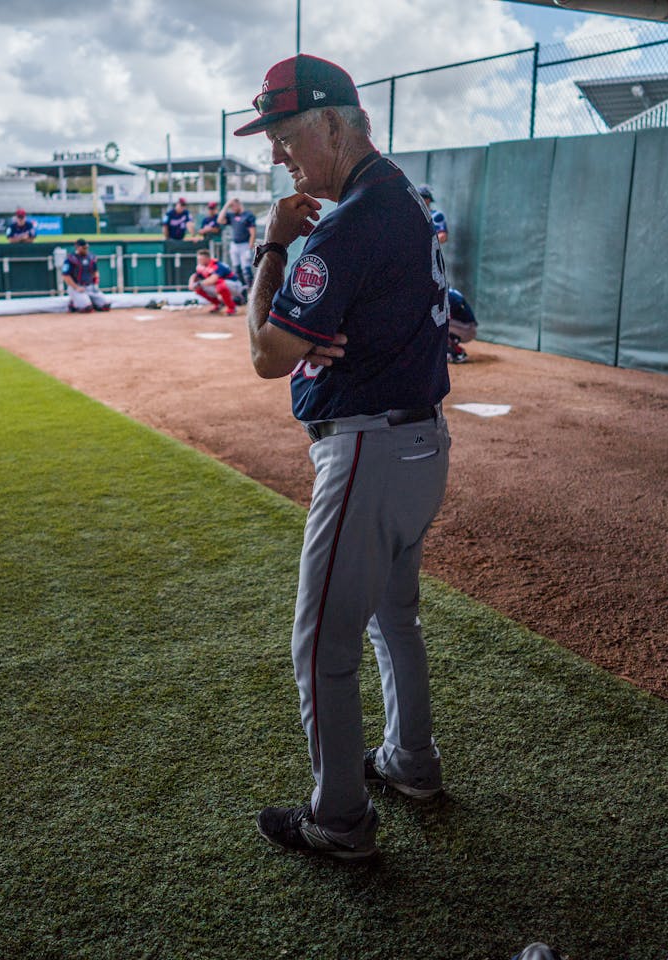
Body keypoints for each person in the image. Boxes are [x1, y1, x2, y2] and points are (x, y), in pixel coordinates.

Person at [236, 53, 451, 862]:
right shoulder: (405, 196)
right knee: (395, 620)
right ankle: (411, 762)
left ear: (333, 123)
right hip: (419, 442)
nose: (277, 154)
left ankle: (339, 820)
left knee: (323, 646)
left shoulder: (353, 220)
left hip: (367, 448)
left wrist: (271, 248)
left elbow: (267, 354)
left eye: (286, 135)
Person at [60, 238, 111, 312]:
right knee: (87, 308)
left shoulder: (91, 257)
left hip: (90, 286)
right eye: (84, 248)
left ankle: (91, 301)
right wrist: (76, 287)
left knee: (105, 306)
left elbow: (95, 271)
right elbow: (65, 276)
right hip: (77, 287)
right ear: (78, 247)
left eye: (87, 247)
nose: (86, 249)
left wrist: (96, 282)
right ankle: (73, 304)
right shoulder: (71, 259)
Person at [188, 249, 241, 315]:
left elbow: (213, 280)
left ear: (207, 258)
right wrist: (191, 284)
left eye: (201, 259)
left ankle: (232, 308)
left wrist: (198, 283)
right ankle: (218, 304)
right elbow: (194, 276)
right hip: (221, 286)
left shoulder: (217, 265)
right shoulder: (201, 266)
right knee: (198, 288)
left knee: (219, 283)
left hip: (235, 286)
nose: (199, 261)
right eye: (198, 259)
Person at [220, 197, 258, 285]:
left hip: (245, 244)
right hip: (235, 244)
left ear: (239, 205)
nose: (232, 208)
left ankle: (251, 287)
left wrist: (250, 247)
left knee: (246, 269)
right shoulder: (232, 215)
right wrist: (226, 205)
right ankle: (242, 287)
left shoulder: (248, 215)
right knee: (236, 269)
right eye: (231, 206)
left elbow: (253, 233)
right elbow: (220, 220)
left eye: (233, 206)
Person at [446, 287, 478, 364]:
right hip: (463, 327)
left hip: (467, 330)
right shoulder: (447, 292)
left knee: (437, 323)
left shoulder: (447, 295)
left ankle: (457, 353)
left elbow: (457, 304)